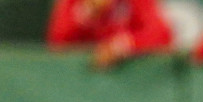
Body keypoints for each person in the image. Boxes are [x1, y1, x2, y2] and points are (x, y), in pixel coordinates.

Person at [46, 0, 174, 70]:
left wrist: (120, 46)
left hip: (129, 82)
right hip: (85, 83)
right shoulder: (74, 3)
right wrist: (87, 13)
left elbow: (162, 34)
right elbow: (57, 43)